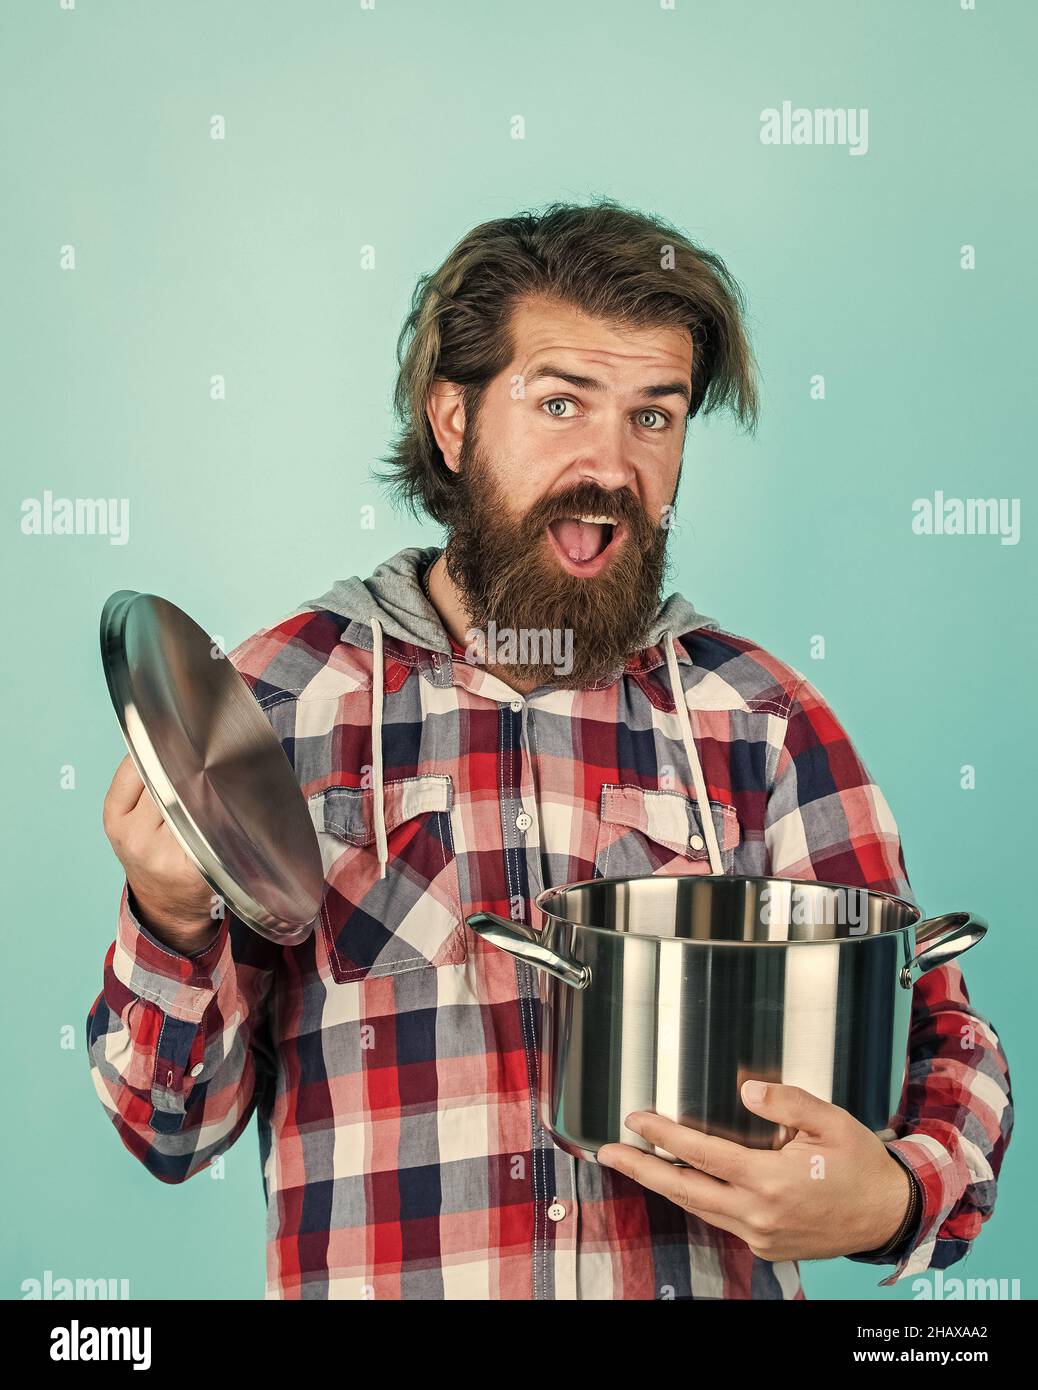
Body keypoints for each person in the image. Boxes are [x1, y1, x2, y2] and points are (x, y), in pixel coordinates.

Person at [88, 199, 1013, 1300]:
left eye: (654, 418)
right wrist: (171, 916)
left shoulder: (762, 718)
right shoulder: (277, 704)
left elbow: (941, 1040)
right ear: (452, 422)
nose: (611, 466)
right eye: (562, 402)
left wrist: (895, 1194)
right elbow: (170, 1125)